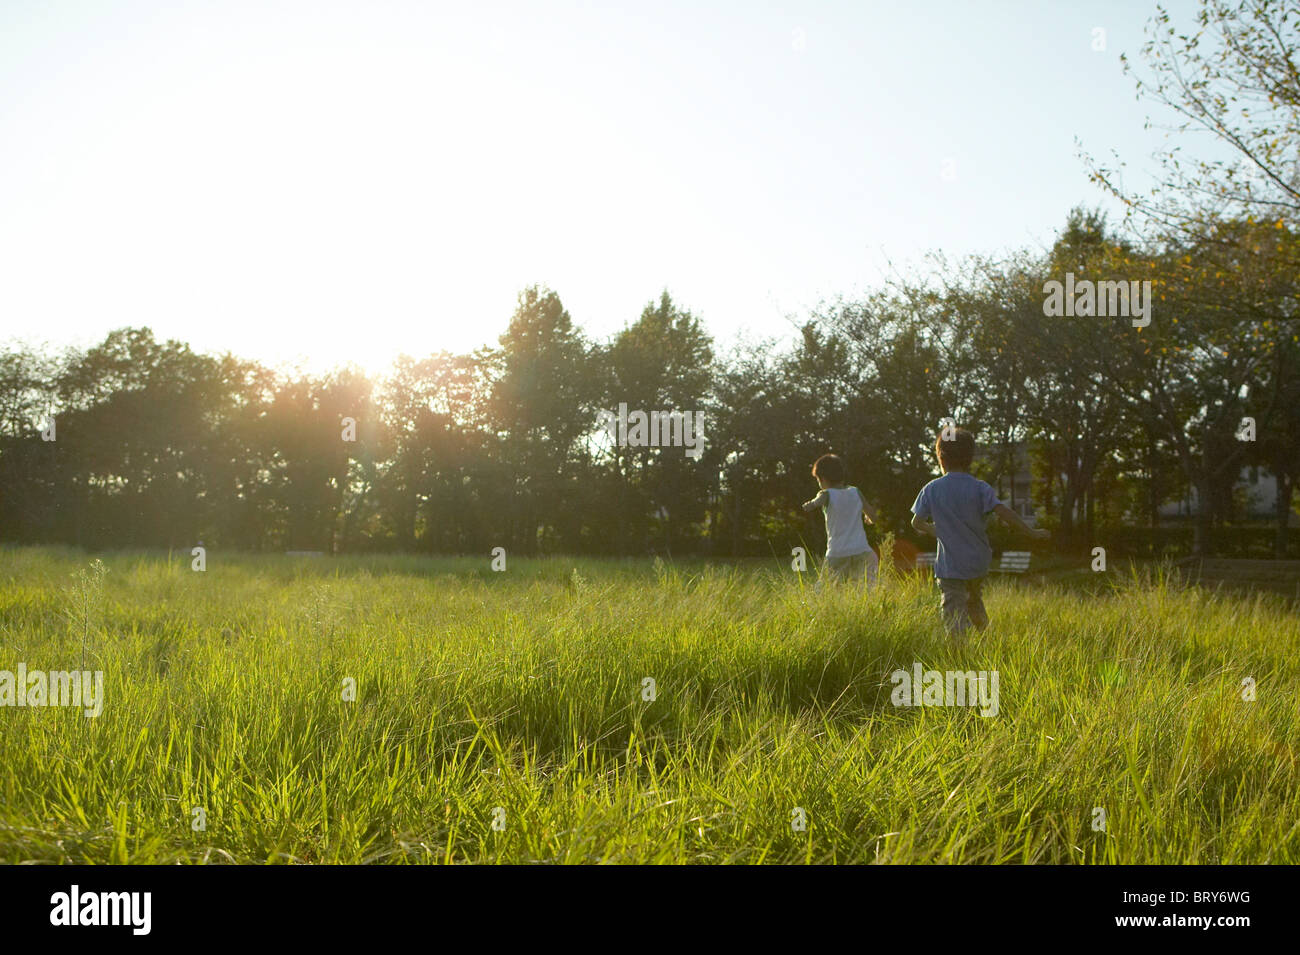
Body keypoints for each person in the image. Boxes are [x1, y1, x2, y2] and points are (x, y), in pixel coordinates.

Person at [910, 428, 1049, 635]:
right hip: (977, 563)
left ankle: (960, 654)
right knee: (974, 602)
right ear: (969, 459)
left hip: (951, 567)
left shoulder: (932, 489)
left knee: (953, 612)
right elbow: (1004, 513)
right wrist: (1031, 531)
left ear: (941, 458)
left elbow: (916, 522)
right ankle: (985, 639)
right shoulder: (980, 488)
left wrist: (932, 529)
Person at [801, 453, 879, 586]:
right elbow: (873, 516)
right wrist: (869, 518)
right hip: (862, 550)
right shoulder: (855, 492)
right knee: (866, 585)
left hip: (838, 552)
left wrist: (811, 504)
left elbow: (818, 500)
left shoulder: (826, 494)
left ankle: (817, 604)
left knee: (825, 587)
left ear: (823, 478)